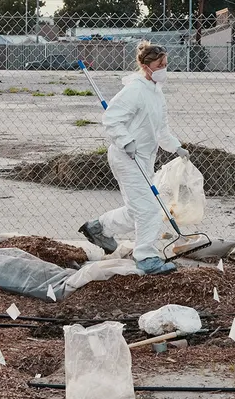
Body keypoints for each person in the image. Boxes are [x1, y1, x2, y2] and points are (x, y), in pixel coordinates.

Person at [79, 42, 189, 275]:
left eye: (165, 64)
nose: (164, 69)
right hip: (127, 157)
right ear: (146, 66)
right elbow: (111, 119)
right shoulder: (135, 90)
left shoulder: (155, 92)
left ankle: (98, 228)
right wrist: (126, 141)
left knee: (136, 209)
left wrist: (176, 147)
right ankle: (146, 257)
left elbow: (161, 128)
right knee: (148, 209)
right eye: (160, 65)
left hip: (143, 158)